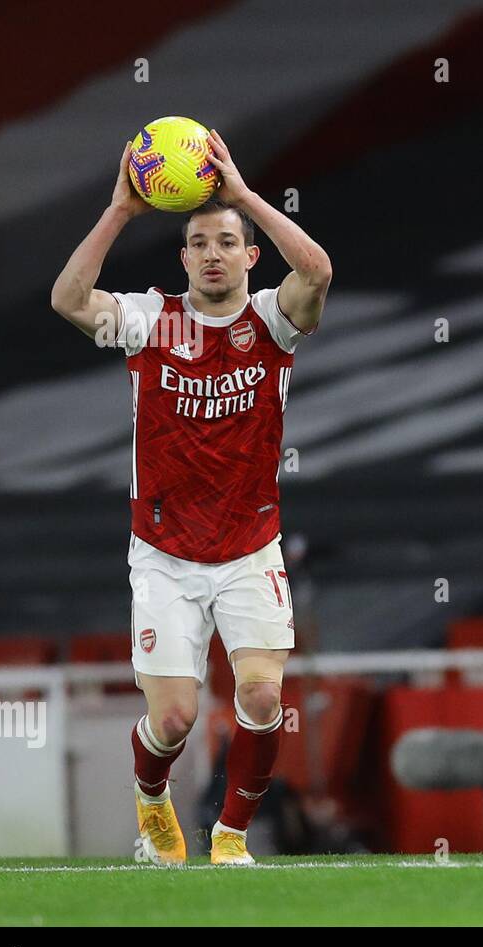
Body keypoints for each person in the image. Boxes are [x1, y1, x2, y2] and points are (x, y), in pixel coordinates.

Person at [51, 132, 332, 865]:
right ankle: (152, 801)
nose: (212, 251)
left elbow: (319, 269)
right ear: (182, 260)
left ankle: (231, 835)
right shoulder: (149, 319)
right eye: (198, 241)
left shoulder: (273, 320)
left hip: (249, 546)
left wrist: (242, 195)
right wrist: (118, 210)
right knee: (173, 718)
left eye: (227, 240)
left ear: (249, 255)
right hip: (166, 553)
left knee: (265, 700)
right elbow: (68, 299)